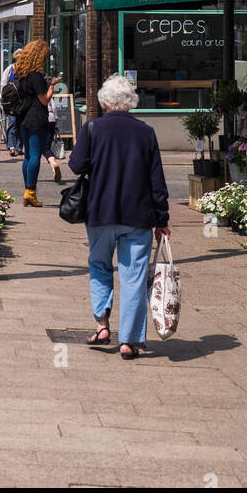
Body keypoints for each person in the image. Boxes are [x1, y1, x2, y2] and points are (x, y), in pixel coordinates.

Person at [68, 74, 169, 361]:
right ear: (131, 102)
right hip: (138, 216)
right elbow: (157, 181)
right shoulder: (146, 132)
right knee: (133, 276)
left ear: (104, 101)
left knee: (99, 265)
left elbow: (76, 166)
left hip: (100, 212)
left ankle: (102, 324)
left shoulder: (93, 129)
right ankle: (129, 341)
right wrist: (162, 220)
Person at [12, 40, 61, 207]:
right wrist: (52, 86)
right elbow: (44, 100)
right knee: (35, 155)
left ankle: (28, 190)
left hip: (23, 117)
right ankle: (30, 192)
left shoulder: (22, 73)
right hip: (36, 118)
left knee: (27, 156)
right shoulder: (36, 76)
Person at [1, 49, 23, 157]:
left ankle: (19, 147)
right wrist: (3, 97)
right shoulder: (10, 69)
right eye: (18, 58)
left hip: (22, 100)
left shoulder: (26, 69)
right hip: (11, 101)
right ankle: (11, 146)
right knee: (13, 122)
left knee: (21, 124)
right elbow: (4, 83)